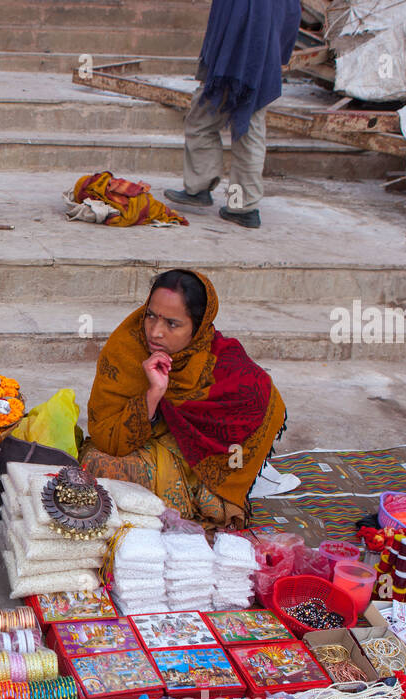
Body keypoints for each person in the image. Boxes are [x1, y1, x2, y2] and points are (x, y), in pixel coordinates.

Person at [79, 269, 286, 528]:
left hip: (195, 459)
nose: (155, 332)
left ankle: (188, 494)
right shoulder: (125, 349)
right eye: (151, 316)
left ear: (197, 328)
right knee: (96, 465)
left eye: (172, 324)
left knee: (216, 503)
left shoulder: (219, 360)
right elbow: (106, 438)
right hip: (139, 446)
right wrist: (153, 395)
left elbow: (262, 396)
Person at [163, 0, 301, 229]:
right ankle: (242, 207)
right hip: (263, 68)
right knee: (248, 133)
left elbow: (226, 23)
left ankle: (199, 188)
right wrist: (275, 57)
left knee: (201, 123)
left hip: (232, 67)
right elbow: (292, 17)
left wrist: (221, 65)